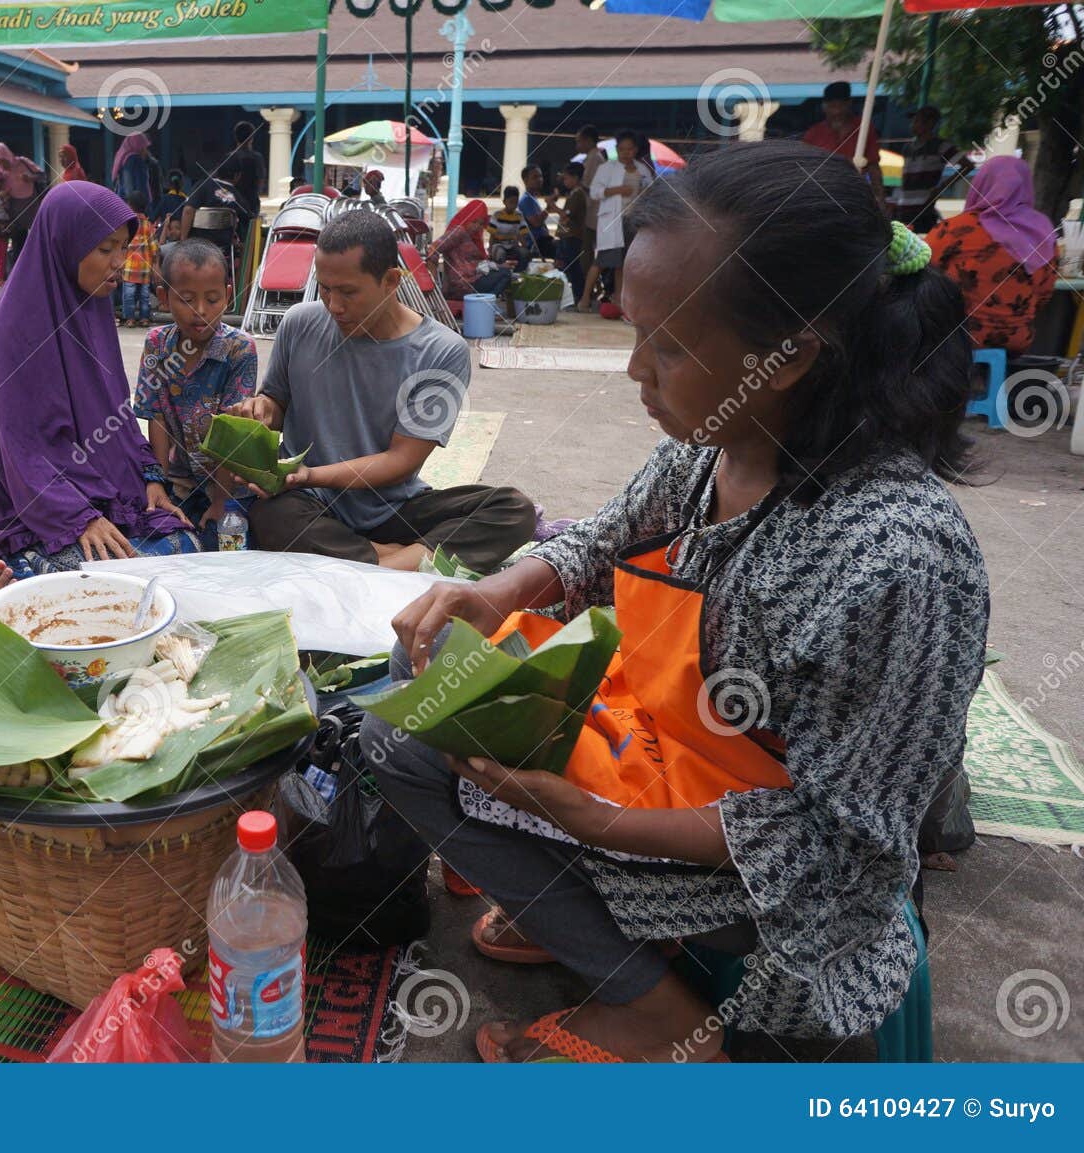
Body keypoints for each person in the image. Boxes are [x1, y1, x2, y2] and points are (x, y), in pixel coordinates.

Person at [366, 139, 988, 1063]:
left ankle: (653, 1007)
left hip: (774, 886)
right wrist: (497, 588)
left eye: (668, 346)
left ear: (787, 357)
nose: (635, 371)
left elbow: (839, 851)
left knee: (406, 751)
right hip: (668, 749)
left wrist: (596, 821)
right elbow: (601, 539)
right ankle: (579, 913)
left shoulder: (896, 563)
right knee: (416, 670)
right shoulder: (716, 447)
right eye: (634, 333)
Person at [234, 212, 536, 571]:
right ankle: (399, 561)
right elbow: (276, 404)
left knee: (513, 511)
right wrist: (262, 410)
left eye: (349, 292)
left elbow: (401, 461)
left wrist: (311, 474)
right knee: (270, 514)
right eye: (325, 289)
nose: (335, 306)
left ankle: (371, 560)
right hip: (309, 502)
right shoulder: (299, 323)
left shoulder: (441, 351)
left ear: (391, 280)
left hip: (393, 508)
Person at [0, 182, 202, 581]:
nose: (120, 262)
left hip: (105, 485)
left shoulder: (93, 309)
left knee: (185, 545)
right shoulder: (11, 331)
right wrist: (78, 517)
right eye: (105, 249)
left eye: (123, 247)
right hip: (41, 503)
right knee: (111, 575)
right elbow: (20, 451)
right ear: (64, 245)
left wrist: (149, 480)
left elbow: (118, 416)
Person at [134, 238, 258, 542]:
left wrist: (221, 501)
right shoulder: (156, 345)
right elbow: (157, 418)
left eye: (212, 299)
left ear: (227, 296)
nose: (200, 311)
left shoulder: (240, 349)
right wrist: (159, 485)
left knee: (225, 541)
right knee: (156, 533)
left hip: (230, 485)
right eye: (187, 299)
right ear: (164, 297)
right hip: (180, 482)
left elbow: (232, 431)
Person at [927, 155, 1058, 355]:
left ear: (980, 184)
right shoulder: (1043, 232)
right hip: (1017, 341)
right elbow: (1044, 294)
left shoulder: (955, 229)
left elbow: (923, 271)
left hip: (956, 338)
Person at [581, 130, 654, 314]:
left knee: (623, 263)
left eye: (630, 149)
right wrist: (616, 190)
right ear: (617, 149)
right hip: (612, 221)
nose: (626, 153)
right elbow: (594, 192)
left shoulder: (642, 169)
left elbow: (650, 190)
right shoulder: (607, 168)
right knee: (602, 261)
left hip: (632, 220)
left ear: (635, 149)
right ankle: (584, 299)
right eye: (622, 149)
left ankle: (619, 301)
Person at [802, 80, 884, 206]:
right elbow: (804, 170)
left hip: (856, 197)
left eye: (841, 106)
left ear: (849, 104)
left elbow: (873, 166)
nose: (837, 112)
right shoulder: (813, 135)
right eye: (832, 106)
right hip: (823, 198)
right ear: (824, 107)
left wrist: (880, 198)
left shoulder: (864, 130)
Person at [892, 106, 970, 233]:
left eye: (917, 121)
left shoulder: (941, 146)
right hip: (903, 208)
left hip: (924, 209)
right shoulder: (907, 148)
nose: (912, 125)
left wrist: (941, 187)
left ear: (930, 124)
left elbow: (967, 165)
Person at [431, 200, 512, 300]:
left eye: (481, 224)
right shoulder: (458, 232)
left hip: (472, 280)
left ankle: (484, 302)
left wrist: (499, 266)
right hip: (460, 284)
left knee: (506, 272)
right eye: (474, 221)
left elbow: (479, 263)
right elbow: (434, 248)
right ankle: (485, 303)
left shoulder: (475, 238)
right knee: (505, 274)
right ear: (467, 218)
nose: (477, 226)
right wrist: (433, 274)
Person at [0, 142, 45, 264]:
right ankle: (19, 270)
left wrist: (30, 178)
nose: (1, 164)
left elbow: (42, 175)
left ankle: (36, 266)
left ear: (7, 156)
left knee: (36, 239)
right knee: (17, 244)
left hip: (31, 207)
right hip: (14, 211)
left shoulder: (23, 162)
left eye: (2, 160)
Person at [118, 190, 158, 327]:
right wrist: (155, 264)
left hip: (129, 266)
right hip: (145, 268)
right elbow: (154, 247)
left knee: (128, 295)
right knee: (144, 296)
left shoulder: (126, 224)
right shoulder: (148, 225)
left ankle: (130, 319)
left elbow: (122, 245)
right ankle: (144, 318)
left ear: (129, 205)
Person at [574, 124, 606, 289]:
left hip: (594, 212)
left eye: (579, 141)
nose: (577, 145)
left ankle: (591, 287)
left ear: (588, 141)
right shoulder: (592, 158)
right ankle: (593, 287)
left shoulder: (595, 159)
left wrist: (575, 182)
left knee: (587, 253)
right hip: (593, 212)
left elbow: (588, 187)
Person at [552, 162, 589, 304]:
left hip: (572, 236)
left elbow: (566, 215)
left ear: (575, 178)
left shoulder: (577, 194)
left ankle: (578, 296)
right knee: (569, 267)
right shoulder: (574, 193)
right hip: (567, 235)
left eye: (566, 178)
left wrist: (552, 205)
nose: (564, 181)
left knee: (573, 269)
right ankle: (574, 296)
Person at [515, 164, 554, 258]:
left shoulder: (532, 198)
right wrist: (549, 207)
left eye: (540, 176)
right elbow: (536, 223)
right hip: (537, 244)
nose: (539, 179)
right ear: (525, 181)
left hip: (543, 241)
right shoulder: (526, 200)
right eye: (535, 177)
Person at [112, 131, 159, 208]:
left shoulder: (123, 158)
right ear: (138, 144)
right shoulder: (136, 159)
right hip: (137, 205)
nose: (145, 149)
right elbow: (140, 185)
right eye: (143, 145)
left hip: (124, 203)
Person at [488, 185, 532, 267]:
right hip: (499, 245)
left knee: (524, 253)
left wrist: (525, 249)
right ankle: (502, 271)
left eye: (516, 203)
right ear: (504, 202)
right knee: (500, 253)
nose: (513, 205)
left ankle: (519, 271)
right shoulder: (497, 215)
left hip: (513, 246)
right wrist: (490, 252)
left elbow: (521, 235)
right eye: (511, 202)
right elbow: (492, 236)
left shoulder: (519, 215)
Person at [229, 121, 265, 220]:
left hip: (232, 203)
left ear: (235, 137)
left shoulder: (229, 157)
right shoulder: (257, 158)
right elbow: (260, 180)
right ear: (251, 138)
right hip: (251, 204)